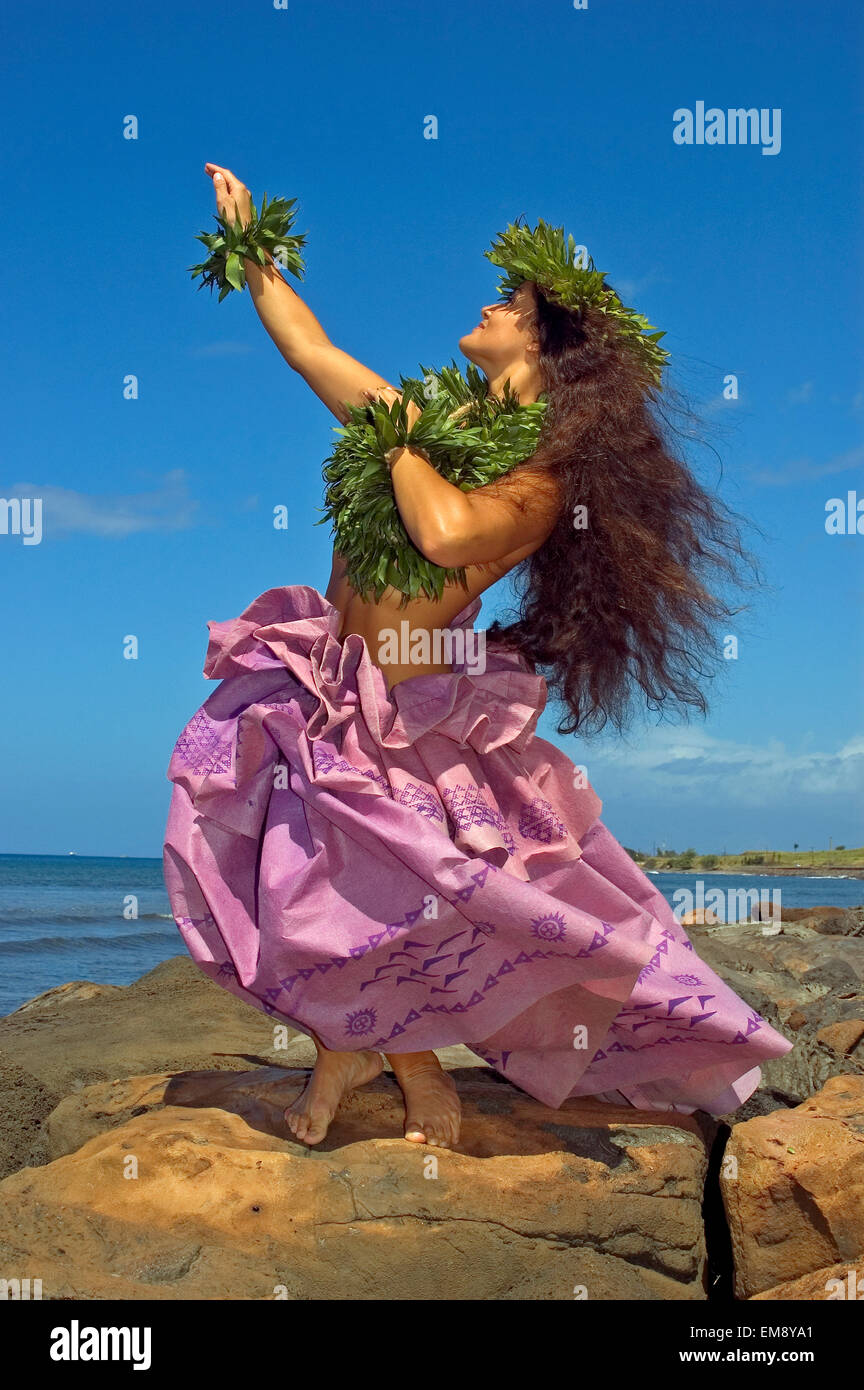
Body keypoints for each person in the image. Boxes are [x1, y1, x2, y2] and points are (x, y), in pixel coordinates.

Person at [163, 162, 794, 1149]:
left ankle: (406, 1076)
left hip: (404, 713)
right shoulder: (433, 419)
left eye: (512, 301)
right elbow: (310, 347)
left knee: (357, 899)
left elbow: (451, 533)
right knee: (298, 890)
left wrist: (396, 438)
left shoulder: (543, 479)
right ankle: (368, 1058)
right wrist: (254, 249)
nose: (488, 302)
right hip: (328, 682)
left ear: (548, 349)